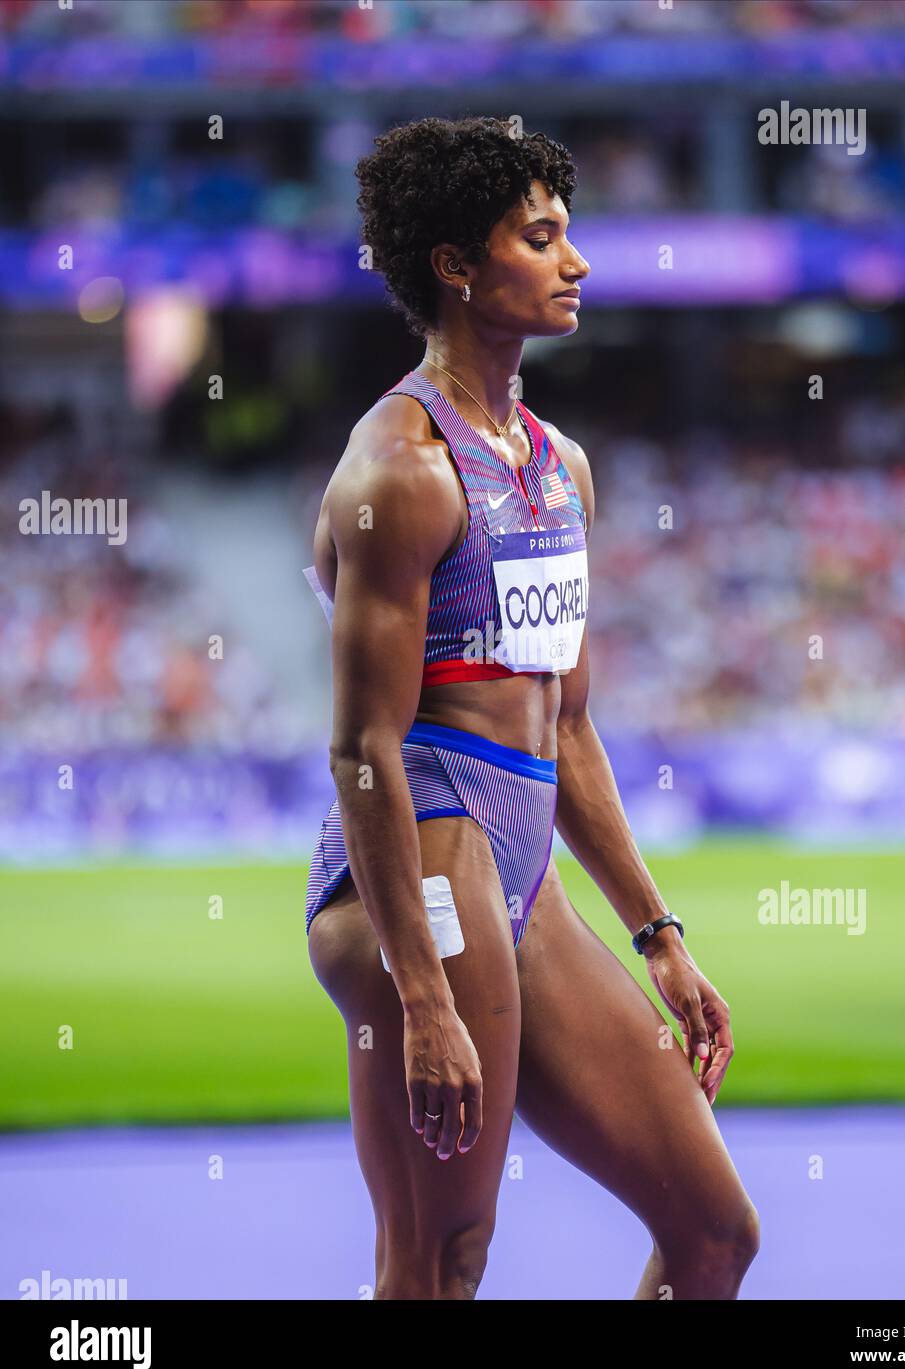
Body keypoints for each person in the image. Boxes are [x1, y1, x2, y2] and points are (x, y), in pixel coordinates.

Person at [304, 115, 759, 1300]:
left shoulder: (558, 465)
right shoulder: (400, 471)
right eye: (542, 237)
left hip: (526, 870)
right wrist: (420, 994)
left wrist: (660, 933)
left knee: (716, 1235)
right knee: (441, 1261)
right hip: (423, 866)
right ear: (457, 266)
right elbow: (361, 748)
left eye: (572, 236)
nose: (578, 263)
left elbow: (565, 729)